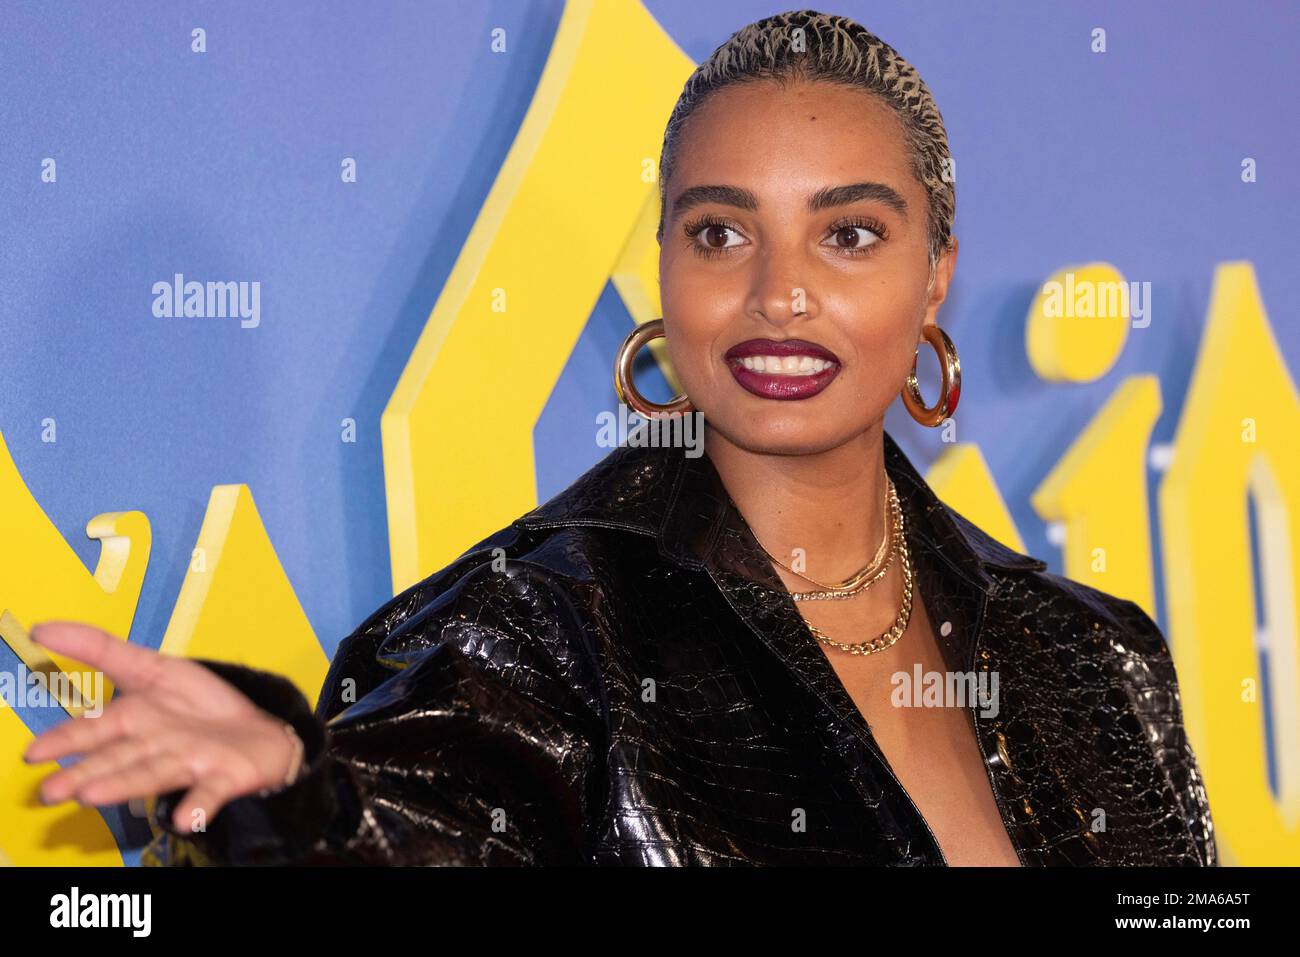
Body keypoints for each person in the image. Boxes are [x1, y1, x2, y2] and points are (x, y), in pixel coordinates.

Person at [22, 8, 1216, 867]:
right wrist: (301, 800)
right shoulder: (535, 632)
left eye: (847, 234)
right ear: (664, 272)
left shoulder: (1095, 662)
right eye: (717, 233)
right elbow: (428, 820)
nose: (777, 293)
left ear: (936, 277)